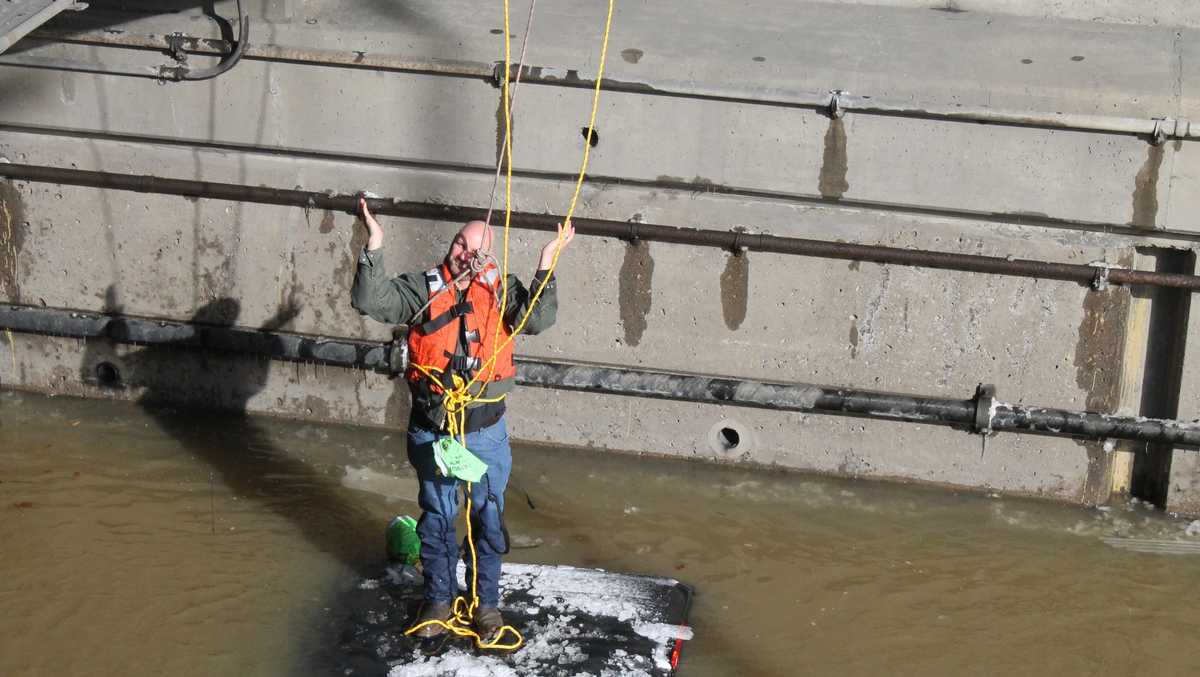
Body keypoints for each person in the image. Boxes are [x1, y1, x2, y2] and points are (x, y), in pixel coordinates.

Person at [350, 196, 573, 643]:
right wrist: (375, 244)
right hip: (433, 431)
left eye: (474, 250)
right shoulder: (424, 287)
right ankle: (437, 599)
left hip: (486, 434)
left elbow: (540, 319)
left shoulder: (504, 291)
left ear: (489, 256)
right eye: (459, 245)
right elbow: (370, 299)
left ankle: (485, 605)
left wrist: (546, 264)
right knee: (436, 516)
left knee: (487, 518)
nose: (464, 256)